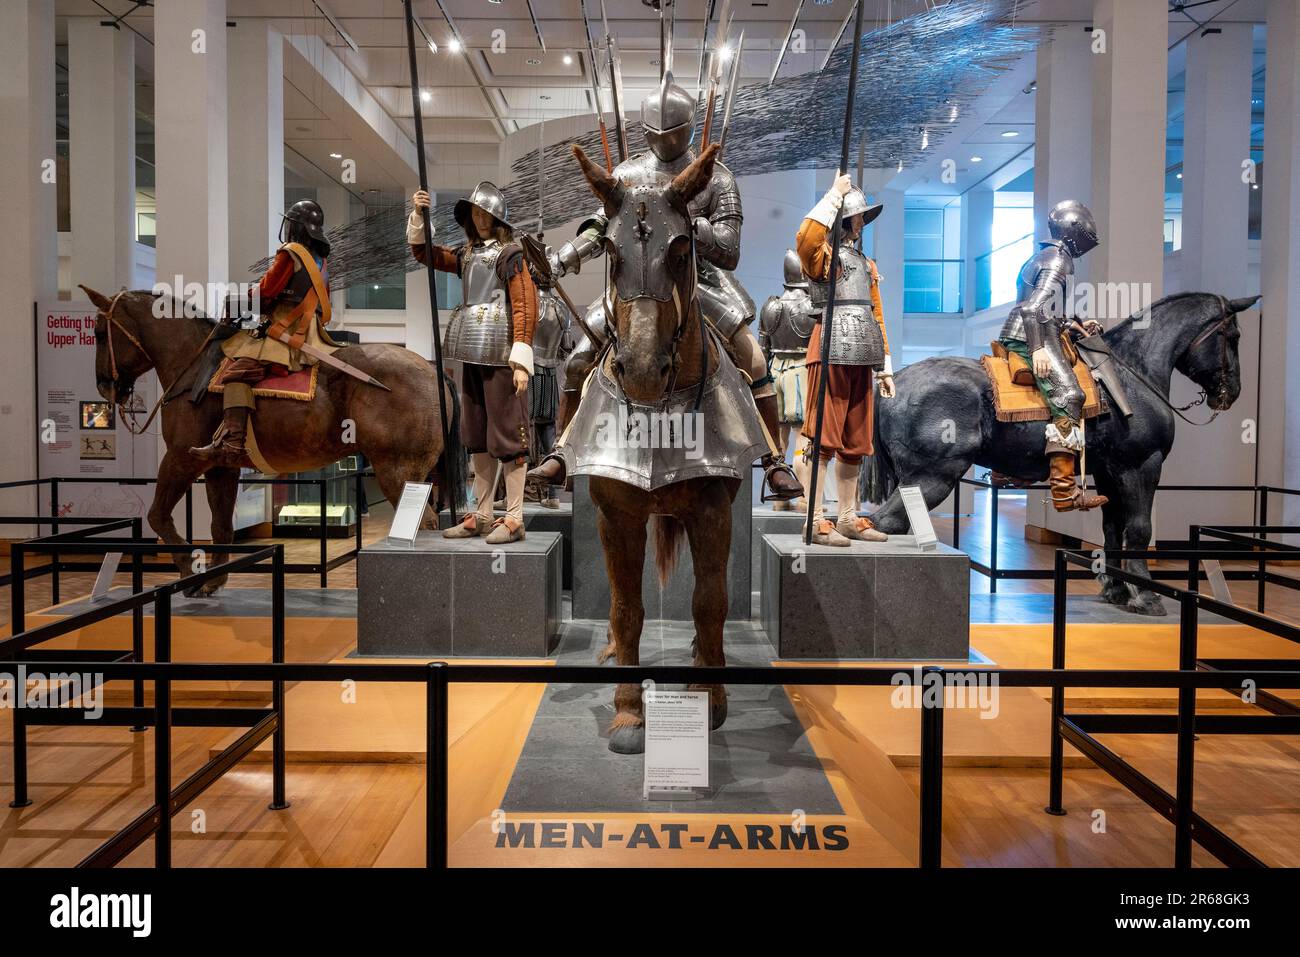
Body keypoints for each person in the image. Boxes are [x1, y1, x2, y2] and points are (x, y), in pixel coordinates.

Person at [527, 76, 802, 502]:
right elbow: (602, 229)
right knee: (580, 357)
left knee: (753, 355)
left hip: (698, 279)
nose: (665, 141)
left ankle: (774, 460)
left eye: (672, 133)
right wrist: (561, 260)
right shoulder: (626, 174)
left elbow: (729, 250)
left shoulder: (717, 179)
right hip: (636, 282)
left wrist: (692, 226)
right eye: (657, 134)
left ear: (688, 129)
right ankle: (563, 450)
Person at [408, 182, 540, 544]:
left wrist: (521, 358)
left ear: (498, 217)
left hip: (501, 355)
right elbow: (425, 254)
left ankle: (513, 517)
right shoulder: (467, 255)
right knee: (476, 436)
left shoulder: (511, 254)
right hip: (472, 349)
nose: (480, 218)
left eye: (486, 213)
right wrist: (421, 215)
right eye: (475, 213)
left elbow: (525, 304)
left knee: (509, 438)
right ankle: (483, 513)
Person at [191, 199, 337, 465]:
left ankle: (232, 443)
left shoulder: (290, 253)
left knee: (238, 373)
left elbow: (266, 293)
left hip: (288, 328)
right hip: (314, 331)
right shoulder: (322, 261)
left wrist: (236, 301)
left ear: (295, 227)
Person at [796, 174, 894, 546]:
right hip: (830, 347)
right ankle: (815, 519)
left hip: (862, 351)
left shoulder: (866, 264)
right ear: (843, 219)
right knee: (823, 437)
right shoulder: (823, 257)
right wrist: (831, 196)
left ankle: (849, 516)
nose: (861, 222)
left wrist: (884, 365)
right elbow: (805, 238)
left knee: (856, 440)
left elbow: (877, 312)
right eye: (856, 216)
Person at [996, 199, 1108, 511]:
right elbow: (1033, 308)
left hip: (1031, 330)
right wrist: (1038, 349)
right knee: (1071, 395)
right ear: (1076, 232)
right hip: (1031, 336)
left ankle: (1007, 467)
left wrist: (1075, 323)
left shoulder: (1045, 254)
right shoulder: (1060, 260)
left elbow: (1048, 307)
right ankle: (1063, 492)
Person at [758, 249, 818, 512]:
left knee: (777, 439)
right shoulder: (812, 306)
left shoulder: (770, 306)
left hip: (774, 372)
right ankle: (805, 499)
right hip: (801, 372)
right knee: (804, 437)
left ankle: (781, 500)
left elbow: (762, 350)